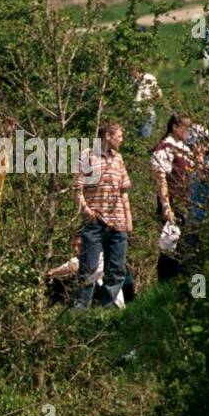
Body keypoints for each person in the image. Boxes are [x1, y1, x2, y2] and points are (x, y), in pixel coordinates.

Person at [72, 122, 132, 310]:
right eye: (119, 136)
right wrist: (86, 210)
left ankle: (109, 310)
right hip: (95, 221)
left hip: (117, 221)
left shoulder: (119, 158)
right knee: (88, 268)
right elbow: (76, 187)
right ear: (108, 136)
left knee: (116, 268)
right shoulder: (87, 156)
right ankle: (81, 309)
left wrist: (128, 217)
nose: (121, 140)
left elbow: (123, 190)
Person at [150, 114, 196, 281]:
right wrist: (166, 206)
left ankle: (181, 286)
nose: (189, 131)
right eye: (186, 127)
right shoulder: (164, 148)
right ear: (175, 127)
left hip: (189, 204)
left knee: (185, 249)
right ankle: (165, 285)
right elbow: (161, 180)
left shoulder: (185, 148)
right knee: (170, 246)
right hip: (174, 204)